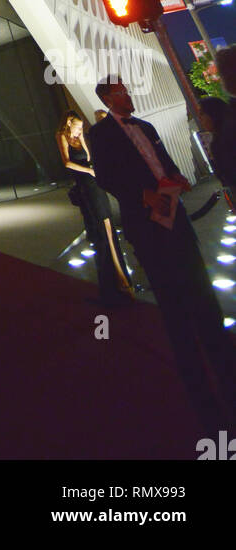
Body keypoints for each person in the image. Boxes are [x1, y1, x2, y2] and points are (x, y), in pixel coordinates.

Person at [90, 80, 236, 431]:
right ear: (108, 98)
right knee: (168, 289)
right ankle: (190, 362)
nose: (128, 94)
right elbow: (105, 175)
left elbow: (162, 158)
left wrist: (175, 176)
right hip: (145, 217)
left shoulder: (146, 126)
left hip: (173, 206)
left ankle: (217, 346)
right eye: (121, 91)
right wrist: (142, 195)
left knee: (195, 275)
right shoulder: (101, 134)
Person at [56, 111, 133, 304]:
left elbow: (88, 156)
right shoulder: (62, 137)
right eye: (78, 127)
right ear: (69, 124)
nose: (80, 131)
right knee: (100, 229)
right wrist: (88, 170)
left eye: (81, 128)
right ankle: (114, 283)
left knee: (107, 228)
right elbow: (67, 162)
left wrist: (82, 139)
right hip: (85, 185)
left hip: (94, 184)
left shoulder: (79, 138)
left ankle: (120, 279)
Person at [198, 97, 236, 203]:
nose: (200, 118)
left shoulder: (225, 139)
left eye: (202, 114)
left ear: (213, 113)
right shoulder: (219, 138)